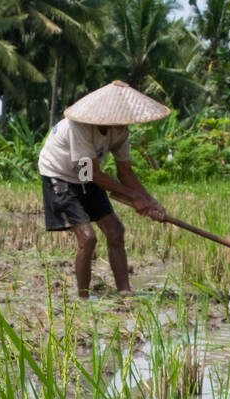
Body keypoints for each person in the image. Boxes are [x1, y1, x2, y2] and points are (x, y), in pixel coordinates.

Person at [38, 81, 169, 299]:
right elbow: (89, 174)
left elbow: (125, 172)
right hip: (59, 174)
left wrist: (150, 202)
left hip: (86, 174)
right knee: (88, 238)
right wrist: (134, 197)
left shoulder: (121, 132)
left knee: (115, 230)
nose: (122, 124)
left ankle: (125, 291)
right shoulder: (78, 126)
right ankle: (83, 299)